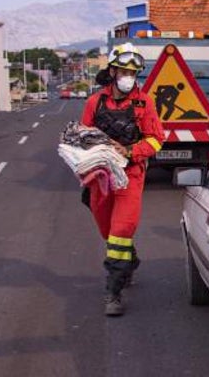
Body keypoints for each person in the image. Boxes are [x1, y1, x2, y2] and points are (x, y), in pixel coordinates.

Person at [81, 42, 165, 317]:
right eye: (124, 71)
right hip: (100, 178)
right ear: (113, 71)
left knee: (120, 231)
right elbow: (81, 138)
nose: (129, 77)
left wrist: (130, 151)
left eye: (133, 72)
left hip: (130, 175)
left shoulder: (145, 103)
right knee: (108, 232)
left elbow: (156, 139)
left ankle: (113, 292)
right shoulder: (95, 102)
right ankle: (129, 260)